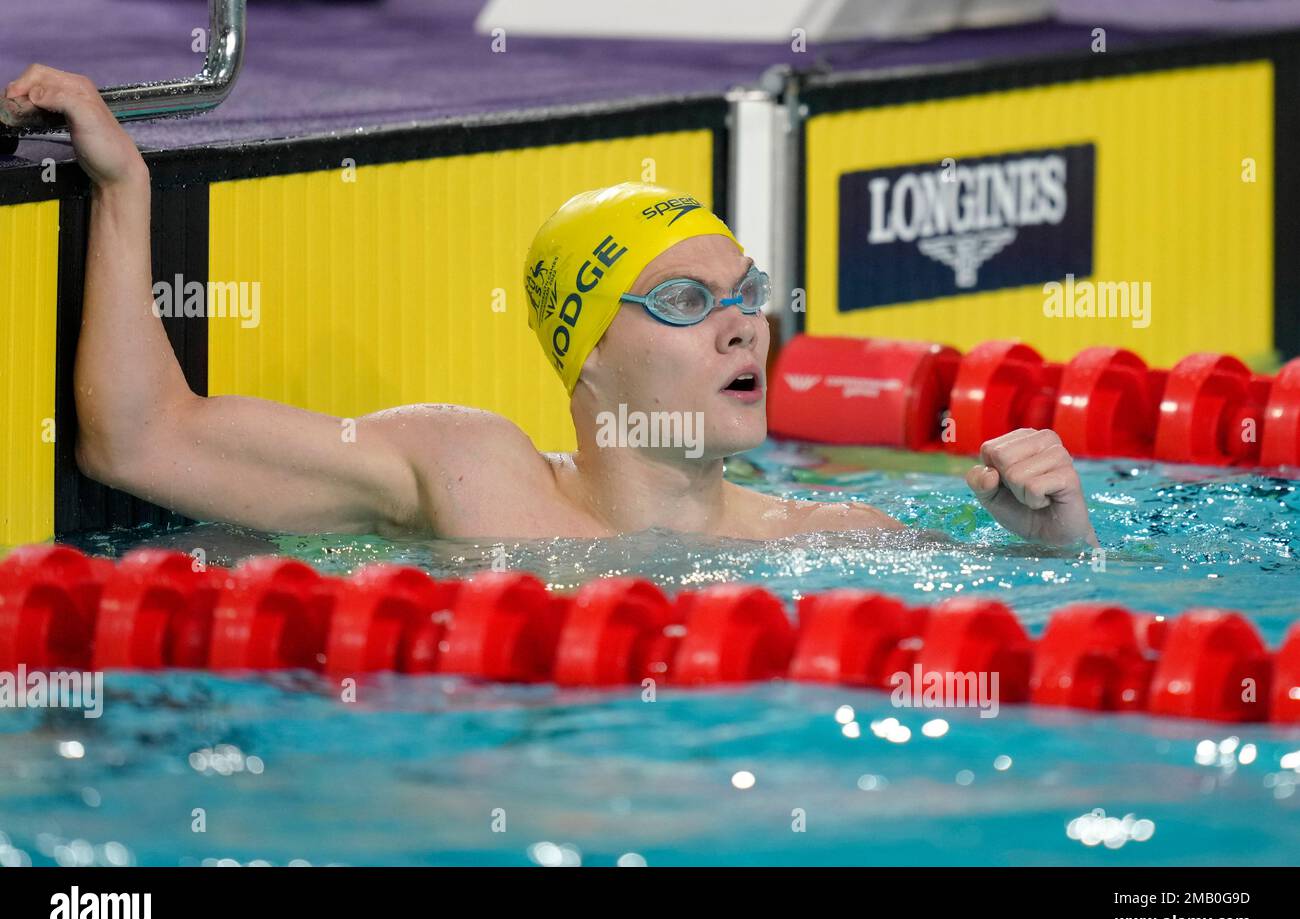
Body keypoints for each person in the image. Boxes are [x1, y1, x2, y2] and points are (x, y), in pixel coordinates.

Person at [5, 64, 1098, 547]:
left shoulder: (835, 531)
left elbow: (1046, 633)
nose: (742, 326)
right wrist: (124, 186)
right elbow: (140, 439)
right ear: (586, 356)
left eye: (748, 294)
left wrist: (1057, 546)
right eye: (684, 299)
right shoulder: (471, 475)